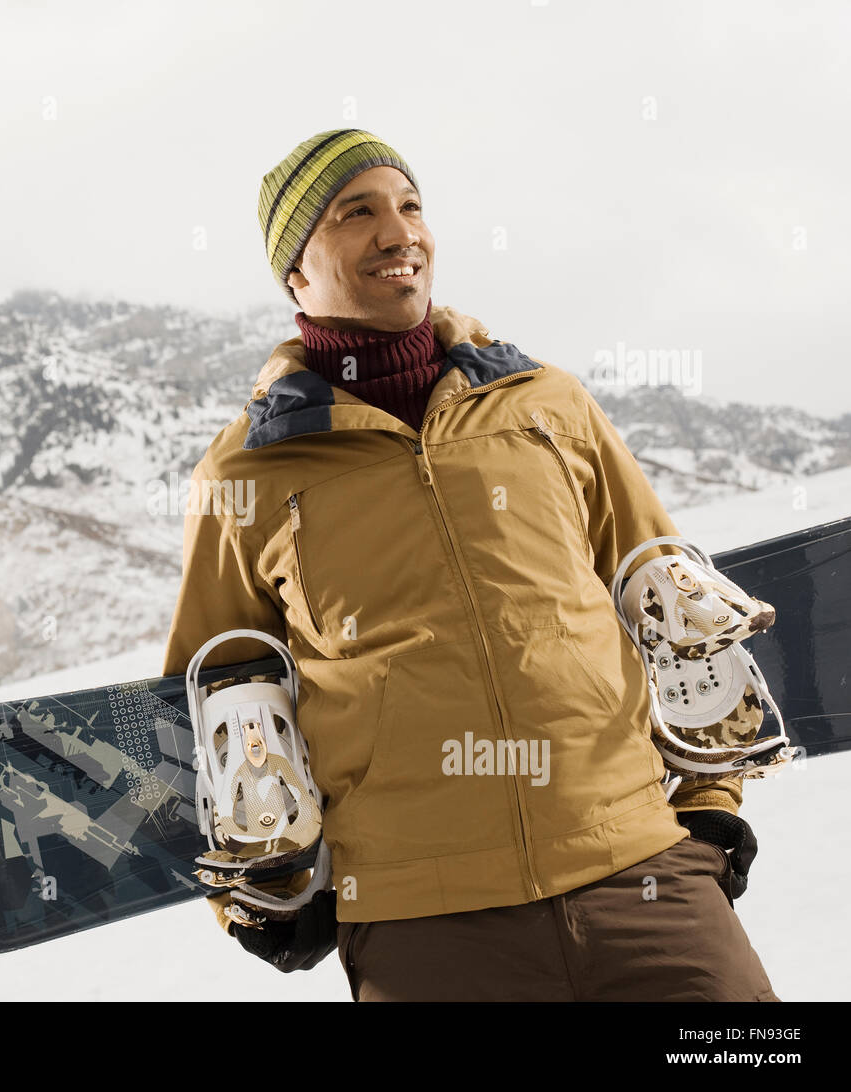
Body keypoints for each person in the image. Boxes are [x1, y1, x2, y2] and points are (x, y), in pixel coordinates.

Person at [159, 128, 777, 1002]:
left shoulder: (546, 405)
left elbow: (669, 597)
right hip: (425, 921)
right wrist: (261, 896)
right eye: (357, 212)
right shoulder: (247, 472)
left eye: (411, 206)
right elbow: (212, 688)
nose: (398, 231)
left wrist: (710, 810)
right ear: (297, 273)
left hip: (641, 874)